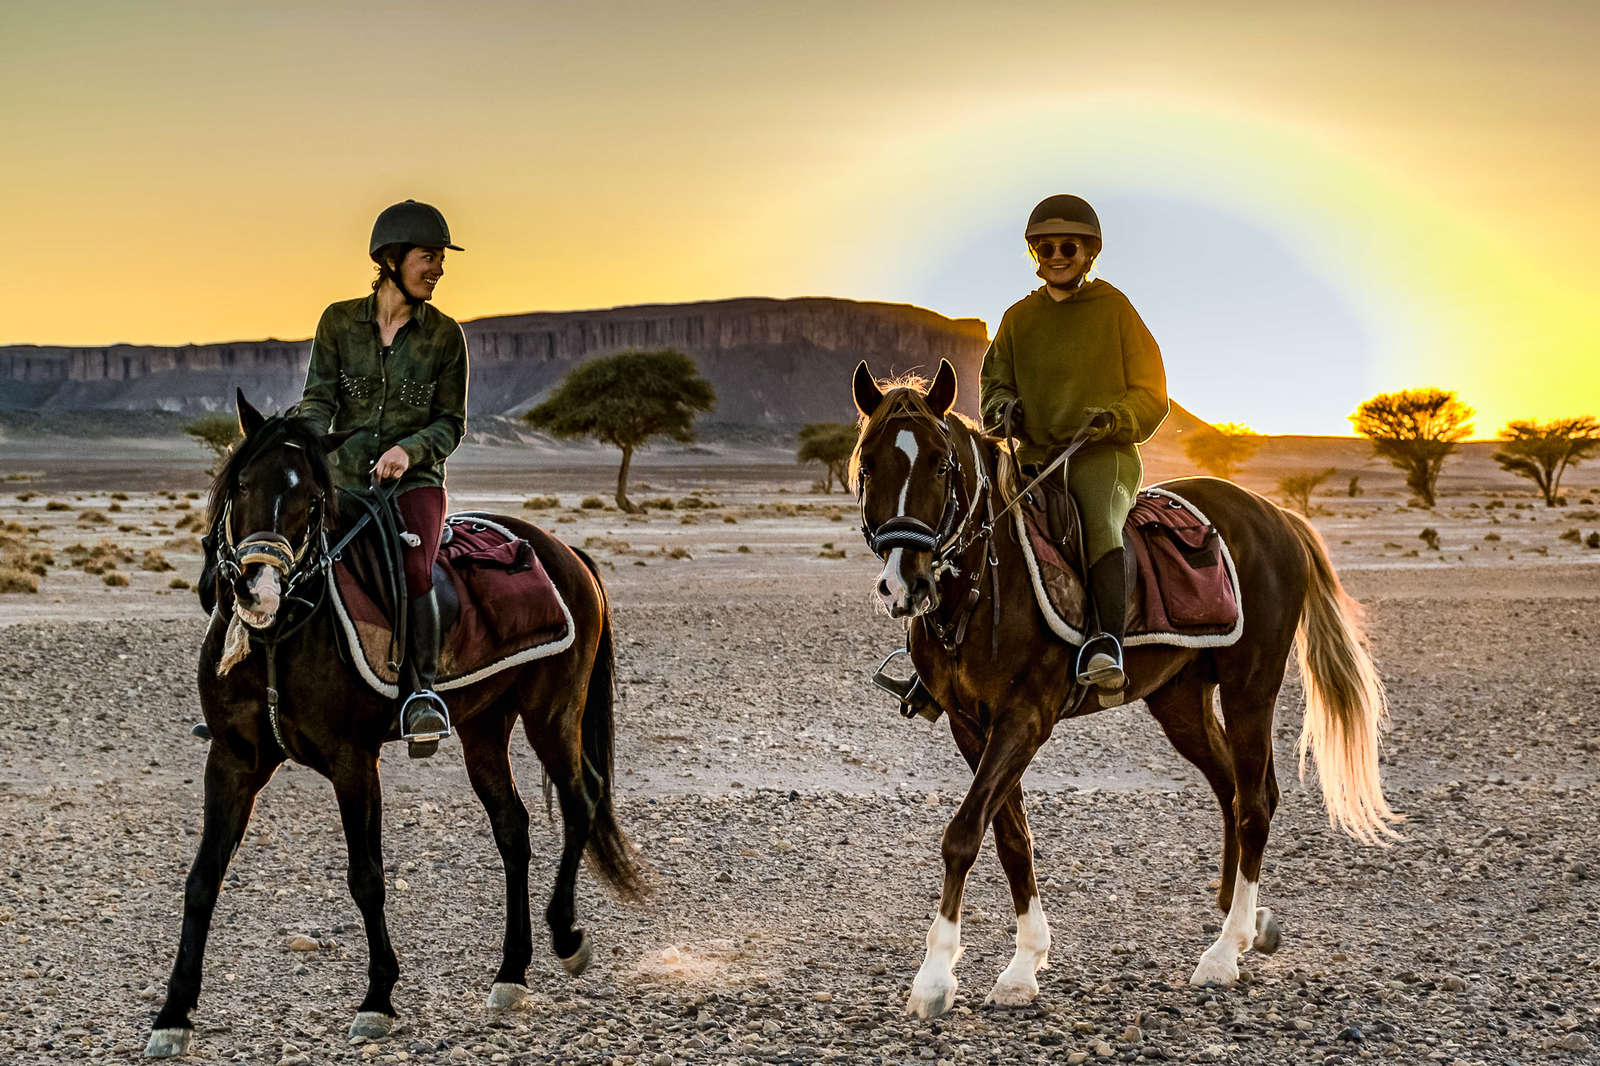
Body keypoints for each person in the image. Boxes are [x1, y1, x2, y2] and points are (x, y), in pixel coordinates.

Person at [979, 194, 1169, 698]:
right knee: (978, 520)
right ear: (1034, 254)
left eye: (1068, 246)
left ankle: (1107, 645)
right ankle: (949, 657)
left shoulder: (1115, 310)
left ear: (1089, 253)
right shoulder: (1017, 318)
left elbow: (1152, 393)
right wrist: (1002, 409)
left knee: (1098, 521)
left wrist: (1117, 419)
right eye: (1045, 247)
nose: (1056, 255)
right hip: (1034, 457)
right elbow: (993, 382)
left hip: (1101, 455)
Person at [297, 199, 469, 756]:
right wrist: (306, 450)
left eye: (440, 259)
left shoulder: (446, 337)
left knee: (414, 564)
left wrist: (409, 449)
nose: (438, 269)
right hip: (343, 480)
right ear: (392, 260)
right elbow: (319, 399)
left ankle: (421, 697)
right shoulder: (336, 322)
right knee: (278, 550)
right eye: (429, 257)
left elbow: (451, 423)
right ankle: (250, 689)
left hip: (413, 485)